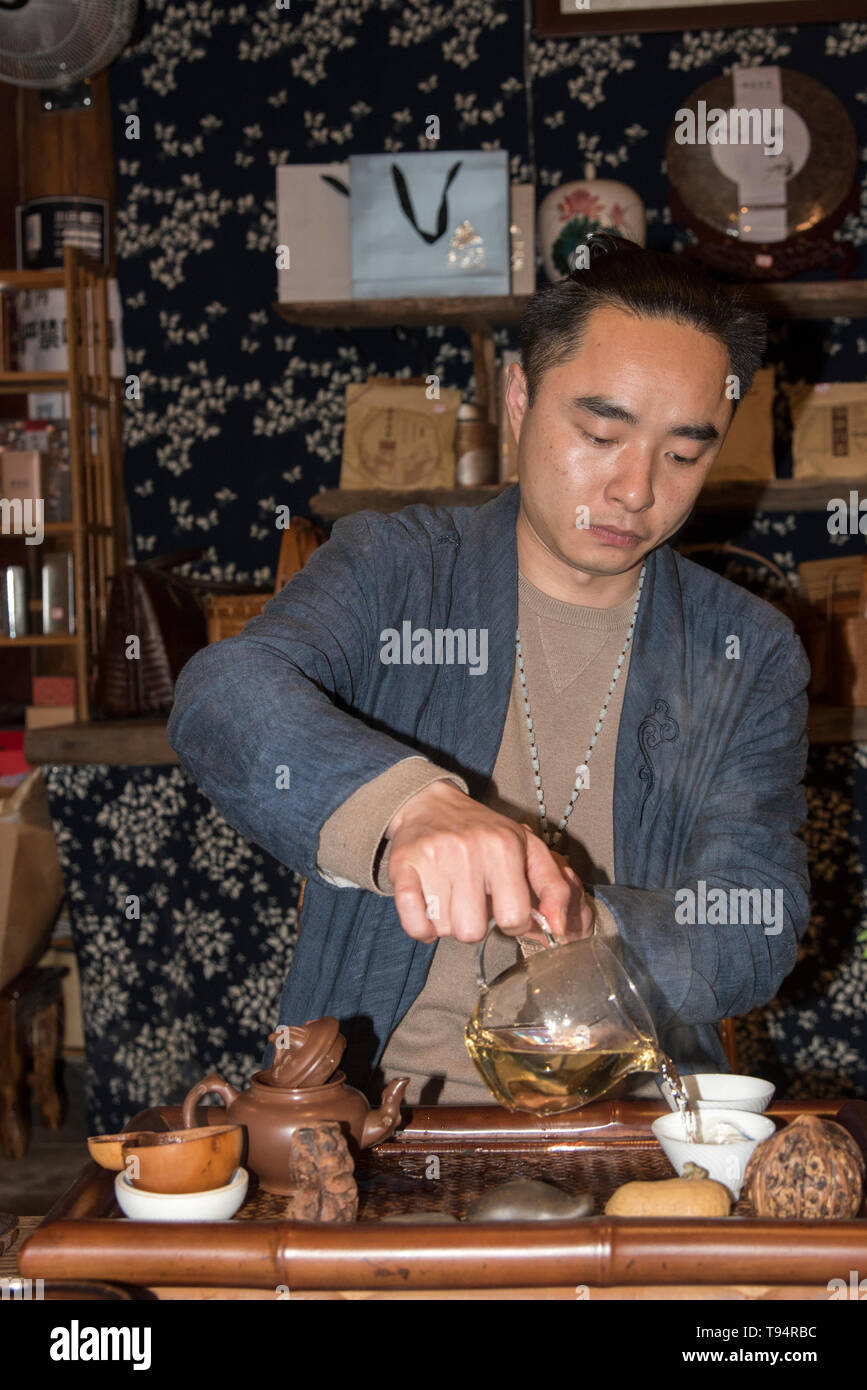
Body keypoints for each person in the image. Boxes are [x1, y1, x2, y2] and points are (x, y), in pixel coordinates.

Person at [166, 233, 810, 1105]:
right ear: (518, 396)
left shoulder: (745, 649)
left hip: (627, 1122)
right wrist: (410, 807)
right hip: (374, 1113)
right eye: (599, 432)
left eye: (683, 455)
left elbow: (757, 923)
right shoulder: (398, 571)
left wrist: (595, 924)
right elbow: (220, 696)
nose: (633, 488)